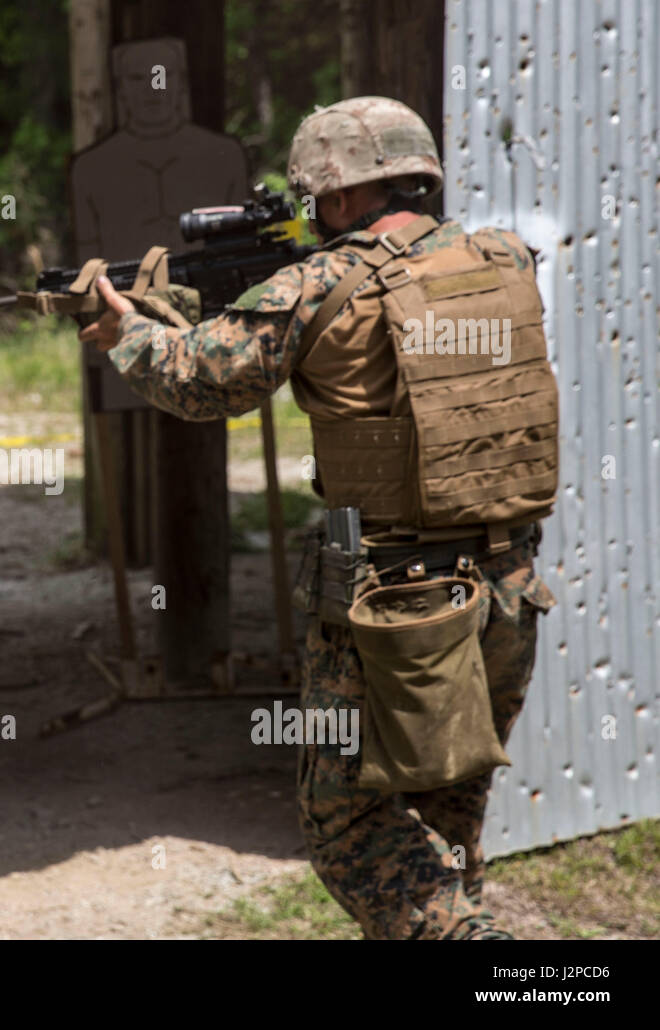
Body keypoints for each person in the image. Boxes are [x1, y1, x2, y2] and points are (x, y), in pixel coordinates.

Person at [80, 96, 559, 940]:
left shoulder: (317, 283)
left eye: (316, 199)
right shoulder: (505, 260)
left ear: (339, 193)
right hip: (509, 590)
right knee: (440, 822)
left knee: (350, 826)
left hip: (398, 603)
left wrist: (128, 329)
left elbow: (200, 381)